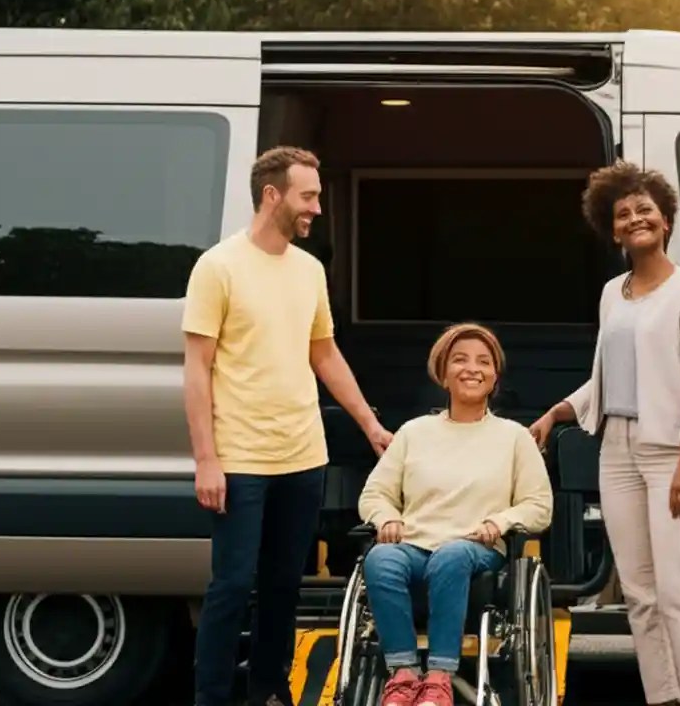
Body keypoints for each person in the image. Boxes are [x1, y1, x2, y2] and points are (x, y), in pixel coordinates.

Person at [182, 145, 394, 706]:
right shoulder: (218, 267)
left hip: (303, 456)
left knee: (284, 585)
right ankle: (211, 696)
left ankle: (269, 691)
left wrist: (370, 424)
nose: (317, 209)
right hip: (239, 460)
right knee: (230, 586)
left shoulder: (309, 270)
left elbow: (324, 354)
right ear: (271, 195)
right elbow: (196, 368)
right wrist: (206, 459)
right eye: (309, 196)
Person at [529, 160, 680, 706]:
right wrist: (558, 412)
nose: (635, 218)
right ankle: (663, 698)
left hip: (673, 457)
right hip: (617, 454)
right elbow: (605, 378)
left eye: (645, 209)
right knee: (638, 594)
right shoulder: (614, 292)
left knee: (677, 590)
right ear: (611, 228)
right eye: (623, 213)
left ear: (665, 221)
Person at [357, 323, 554, 706]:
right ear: (443, 373)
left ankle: (439, 678)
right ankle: (403, 674)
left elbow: (539, 505)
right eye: (460, 359)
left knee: (451, 555)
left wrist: (501, 521)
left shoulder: (514, 437)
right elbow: (375, 494)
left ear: (495, 376)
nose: (472, 368)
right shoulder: (414, 432)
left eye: (484, 361)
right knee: (380, 558)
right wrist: (385, 518)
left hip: (475, 548)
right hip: (414, 544)